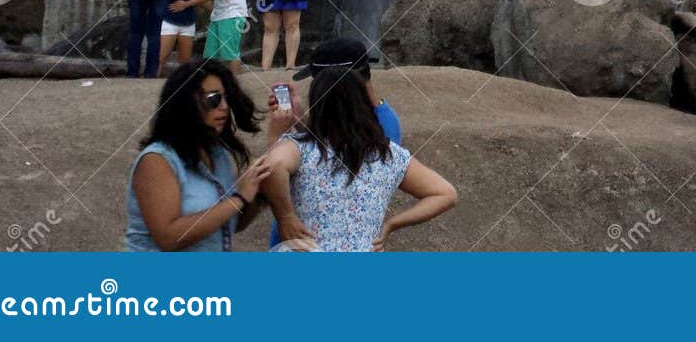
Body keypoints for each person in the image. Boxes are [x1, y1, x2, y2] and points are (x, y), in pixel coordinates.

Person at [261, 65, 455, 252]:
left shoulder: (300, 149)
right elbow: (445, 194)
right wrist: (391, 224)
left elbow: (273, 165)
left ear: (317, 104)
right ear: (363, 104)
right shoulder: (388, 154)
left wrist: (285, 217)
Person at [264, 38, 402, 248]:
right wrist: (300, 121)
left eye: (317, 80)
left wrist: (277, 137)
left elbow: (321, 173)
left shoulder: (379, 128)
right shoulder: (375, 119)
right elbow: (324, 152)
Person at [125, 60, 271, 251]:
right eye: (214, 99)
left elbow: (230, 225)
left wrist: (258, 194)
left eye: (226, 98)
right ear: (185, 103)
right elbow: (168, 237)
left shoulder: (219, 154)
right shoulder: (157, 160)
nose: (224, 107)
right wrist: (239, 198)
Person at [158, 0, 201, 77]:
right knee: (162, 56)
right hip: (170, 22)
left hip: (188, 24)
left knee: (185, 60)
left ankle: (182, 85)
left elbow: (200, 0)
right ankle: (153, 78)